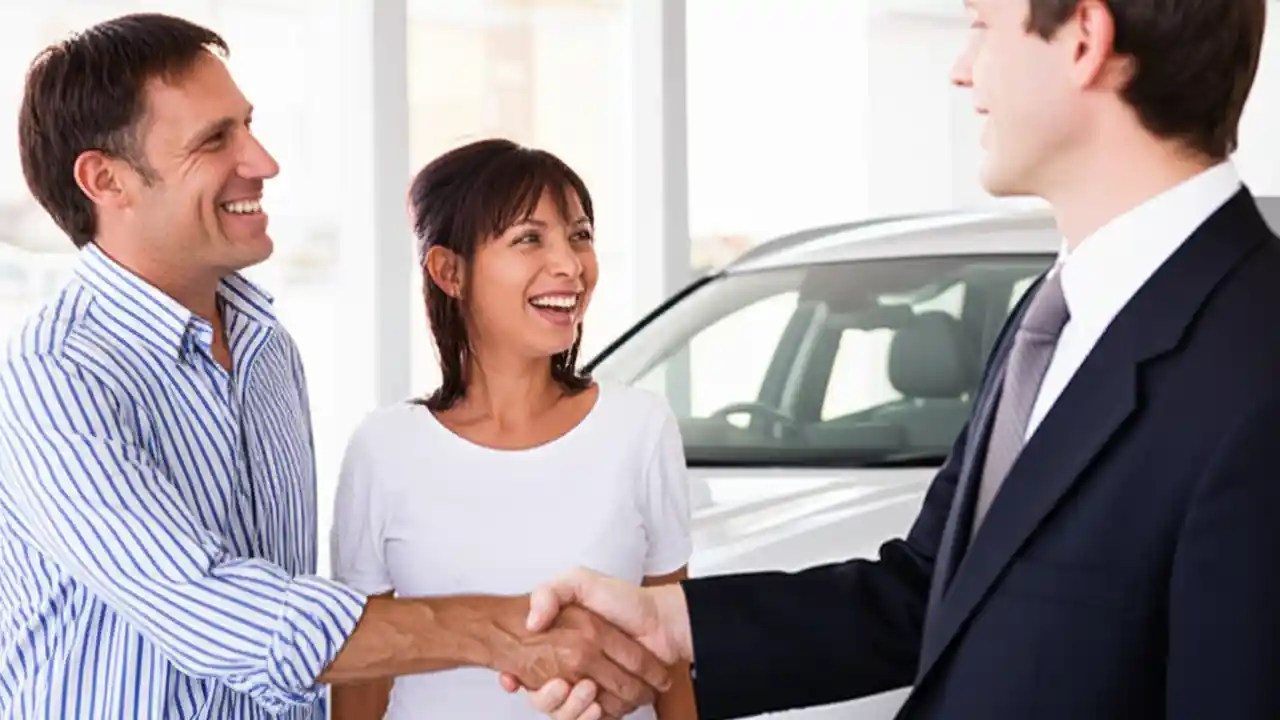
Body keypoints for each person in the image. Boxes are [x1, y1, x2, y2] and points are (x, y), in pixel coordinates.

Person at [509, 0, 1280, 718]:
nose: (961, 68)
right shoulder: (1057, 313)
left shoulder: (1256, 358)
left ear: (1085, 38)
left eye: (982, 25)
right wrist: (668, 627)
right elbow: (932, 590)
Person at [0, 14, 668, 719]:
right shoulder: (56, 378)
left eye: (247, 125)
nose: (261, 161)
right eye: (214, 140)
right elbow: (213, 609)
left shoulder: (266, 350)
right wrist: (508, 633)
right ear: (106, 179)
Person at [328, 138, 697, 720]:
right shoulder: (384, 449)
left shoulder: (640, 427)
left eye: (579, 235)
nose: (570, 266)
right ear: (449, 271)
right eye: (530, 238)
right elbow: (362, 674)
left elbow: (672, 658)